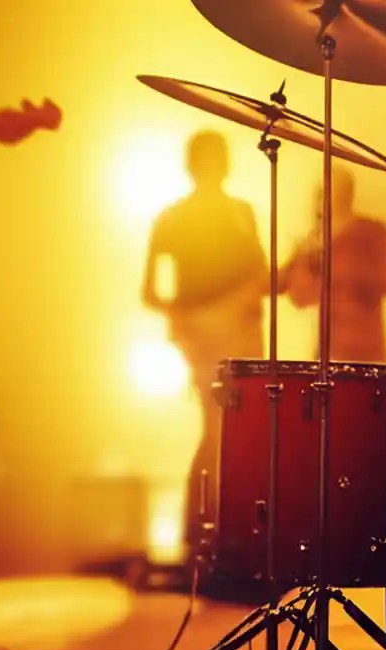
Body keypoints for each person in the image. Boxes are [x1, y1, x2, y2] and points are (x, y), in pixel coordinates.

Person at [142, 130, 267, 557]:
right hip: (205, 333)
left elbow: (262, 274)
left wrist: (247, 301)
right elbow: (150, 291)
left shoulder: (240, 213)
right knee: (217, 429)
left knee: (238, 430)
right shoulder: (172, 218)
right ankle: (202, 534)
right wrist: (187, 320)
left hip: (238, 330)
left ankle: (223, 534)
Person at [282, 168, 386, 362]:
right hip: (327, 348)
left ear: (346, 193)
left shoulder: (372, 232)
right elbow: (297, 295)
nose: (319, 196)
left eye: (327, 189)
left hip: (363, 346)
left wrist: (339, 273)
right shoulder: (315, 237)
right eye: (319, 191)